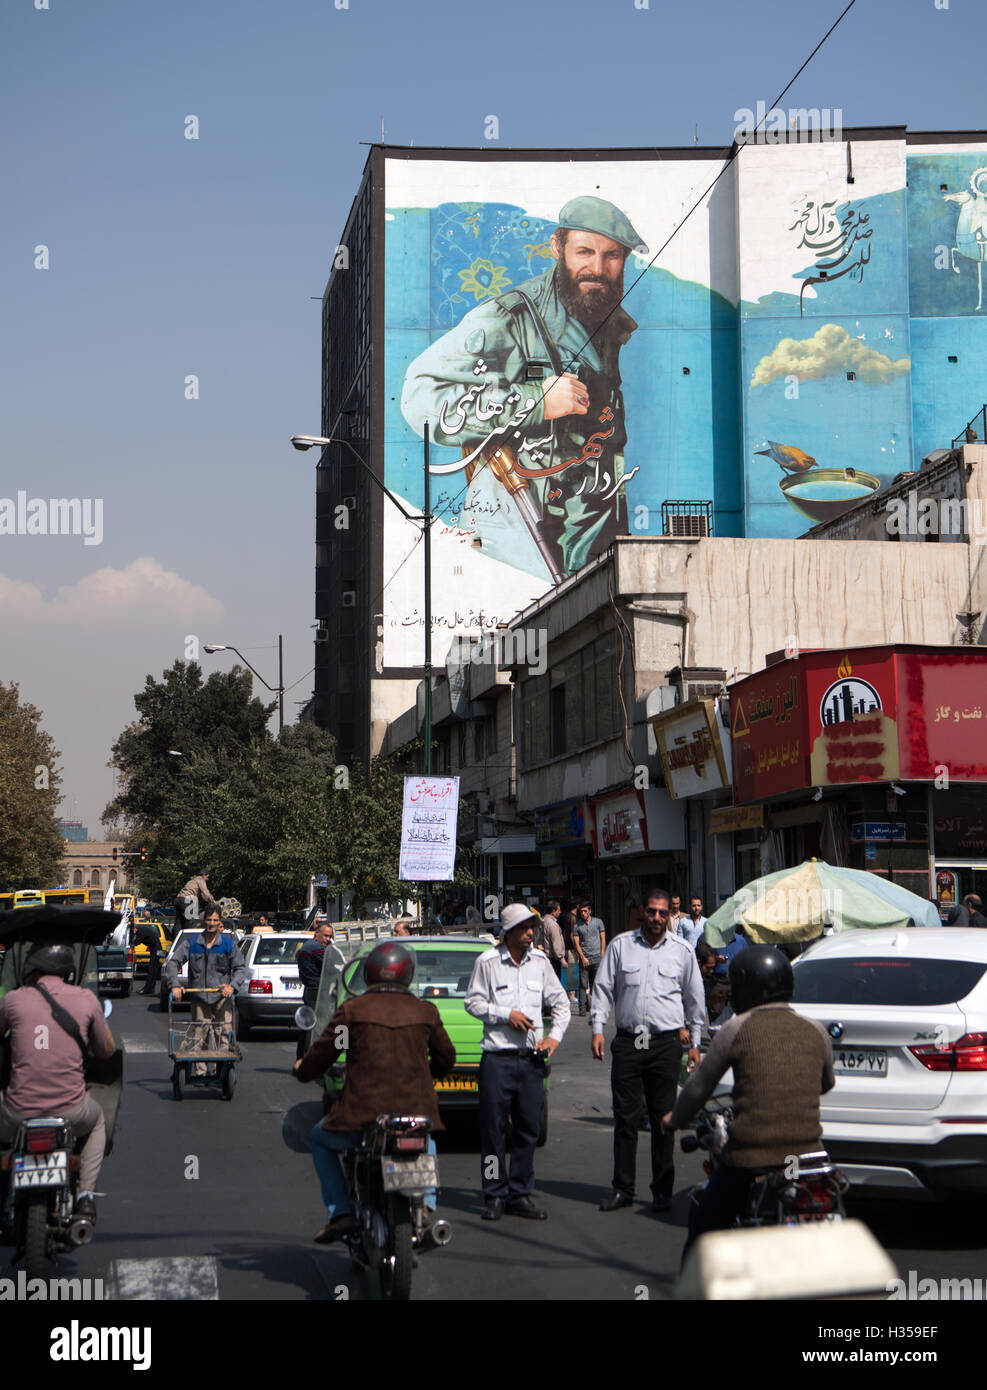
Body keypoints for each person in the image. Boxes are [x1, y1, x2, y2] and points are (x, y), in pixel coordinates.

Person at [401, 196, 647, 582]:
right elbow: (420, 395)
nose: (597, 268)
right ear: (556, 247)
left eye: (612, 255)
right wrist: (536, 403)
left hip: (590, 546)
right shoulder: (510, 317)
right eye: (584, 251)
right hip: (521, 544)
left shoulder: (610, 323)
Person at [661, 945, 835, 1259]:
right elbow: (826, 1085)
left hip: (751, 1157)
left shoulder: (735, 1028)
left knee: (704, 1227)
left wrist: (674, 1119)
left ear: (746, 988)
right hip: (812, 1159)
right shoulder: (816, 1030)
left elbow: (699, 1087)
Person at [294, 941, 456, 1243]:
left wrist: (303, 1069)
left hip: (363, 1115)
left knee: (319, 1139)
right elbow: (446, 1058)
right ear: (407, 974)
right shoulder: (425, 1011)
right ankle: (426, 1206)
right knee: (425, 1136)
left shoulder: (352, 1010)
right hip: (415, 1109)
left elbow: (326, 1051)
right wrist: (425, 1076)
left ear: (369, 974)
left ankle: (341, 1212)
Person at [592, 890, 705, 1214]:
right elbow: (602, 990)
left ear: (670, 915)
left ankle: (662, 1192)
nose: (656, 918)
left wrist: (695, 1043)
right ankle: (622, 1189)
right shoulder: (620, 946)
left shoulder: (682, 951)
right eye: (651, 912)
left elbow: (694, 1000)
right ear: (643, 912)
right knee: (625, 1119)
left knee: (663, 1120)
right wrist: (598, 1030)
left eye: (662, 913)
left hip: (664, 1044)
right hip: (630, 1042)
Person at [465, 903, 571, 1221]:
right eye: (525, 928)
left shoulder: (540, 962)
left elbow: (561, 1003)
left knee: (528, 1129)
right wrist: (503, 1015)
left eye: (532, 928)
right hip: (497, 1060)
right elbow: (472, 1002)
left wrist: (554, 1038)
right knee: (494, 1132)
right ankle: (494, 1194)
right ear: (509, 932)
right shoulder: (487, 962)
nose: (531, 933)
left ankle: (520, 1193)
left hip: (531, 1062)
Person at [0, 942, 115, 1223]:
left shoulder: (13, 999)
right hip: (71, 1111)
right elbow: (106, 1051)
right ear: (68, 969)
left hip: (17, 1112)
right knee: (98, 1121)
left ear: (30, 969)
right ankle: (86, 1195)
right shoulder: (86, 999)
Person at [164, 907, 247, 1078]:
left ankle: (220, 1072)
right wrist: (174, 985)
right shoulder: (192, 943)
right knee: (199, 1035)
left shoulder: (228, 944)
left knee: (223, 1034)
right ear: (204, 921)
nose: (212, 923)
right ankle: (200, 1073)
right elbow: (173, 964)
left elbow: (239, 968)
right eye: (209, 920)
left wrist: (232, 986)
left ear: (220, 922)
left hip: (222, 998)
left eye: (215, 920)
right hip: (200, 998)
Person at [295, 920, 345, 1061]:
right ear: (317, 933)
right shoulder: (316, 948)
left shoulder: (308, 946)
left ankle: (302, 1058)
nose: (328, 940)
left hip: (311, 990)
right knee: (314, 1026)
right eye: (326, 936)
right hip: (317, 991)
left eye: (330, 937)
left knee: (307, 1025)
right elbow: (331, 965)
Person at [572, 900, 606, 1016]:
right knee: (583, 983)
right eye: (581, 911)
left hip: (597, 957)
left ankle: (595, 1006)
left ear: (590, 911)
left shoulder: (598, 922)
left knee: (596, 983)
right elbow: (576, 943)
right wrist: (582, 957)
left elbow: (602, 938)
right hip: (584, 959)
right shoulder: (577, 926)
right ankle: (582, 1007)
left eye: (585, 911)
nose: (583, 913)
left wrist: (602, 954)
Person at [539, 900, 567, 979]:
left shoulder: (541, 921)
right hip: (553, 959)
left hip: (543, 958)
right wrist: (562, 959)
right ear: (553, 911)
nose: (560, 912)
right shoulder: (553, 925)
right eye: (558, 910)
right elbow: (556, 943)